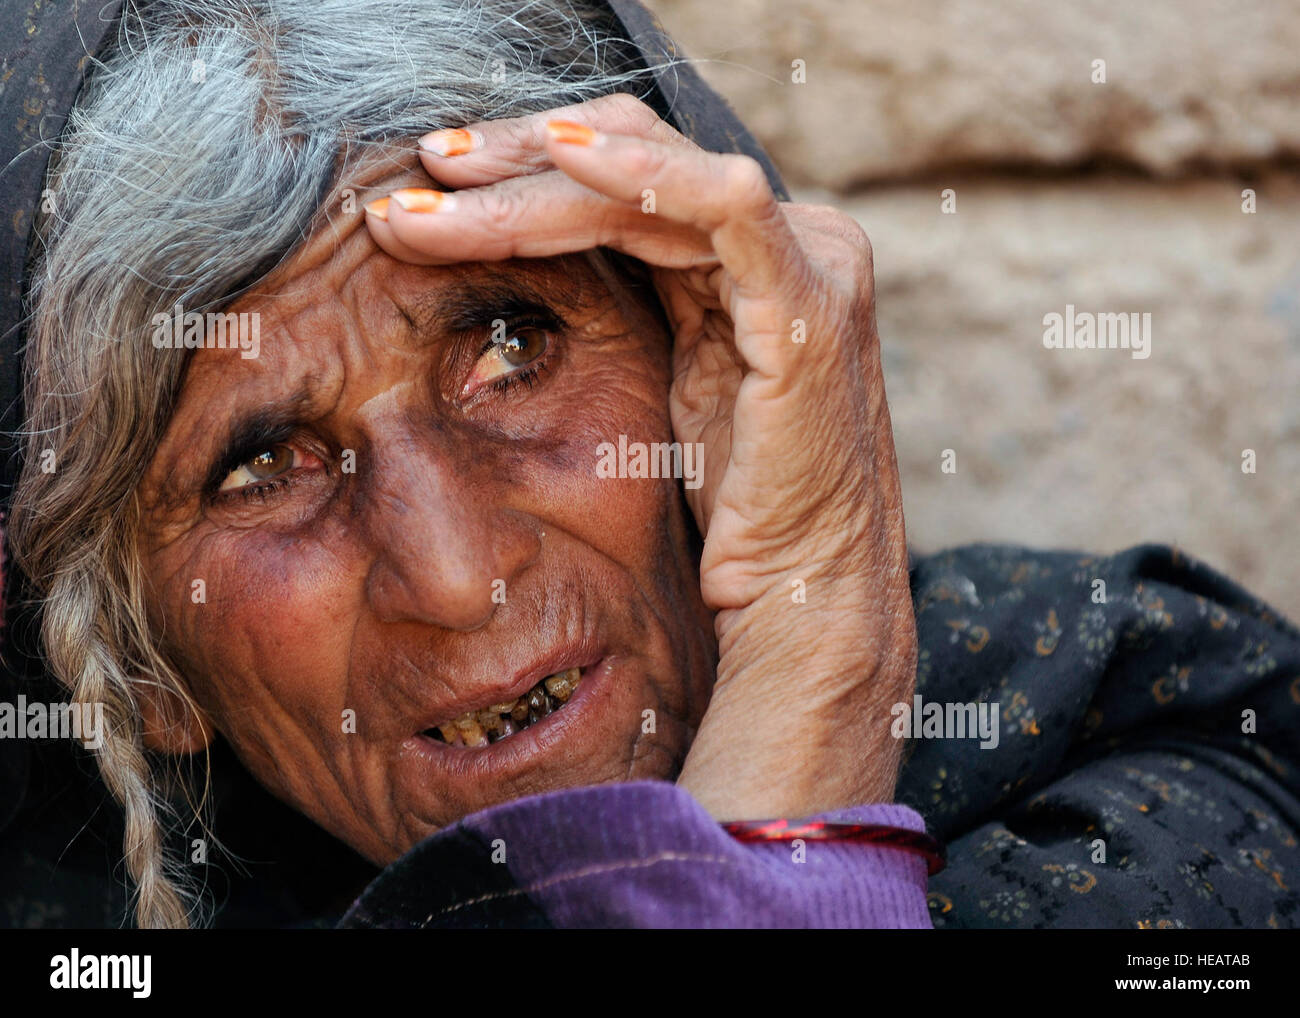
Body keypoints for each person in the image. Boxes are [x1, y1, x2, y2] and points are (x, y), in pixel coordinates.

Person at [2, 0, 1297, 931]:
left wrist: (817, 661)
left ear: (710, 366)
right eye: (263, 464)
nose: (456, 576)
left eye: (511, 350)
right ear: (136, 655)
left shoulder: (1182, 775)